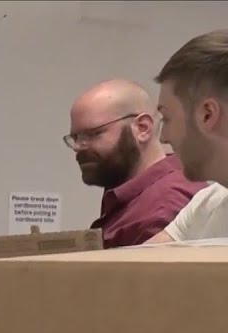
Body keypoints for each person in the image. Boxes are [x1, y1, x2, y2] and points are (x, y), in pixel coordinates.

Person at [66, 79, 205, 247]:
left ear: (142, 128)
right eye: (76, 137)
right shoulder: (129, 196)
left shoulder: (161, 207)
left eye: (94, 134)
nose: (79, 147)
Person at [145, 32, 228, 245]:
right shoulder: (207, 205)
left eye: (167, 118)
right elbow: (131, 269)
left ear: (207, 114)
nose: (163, 138)